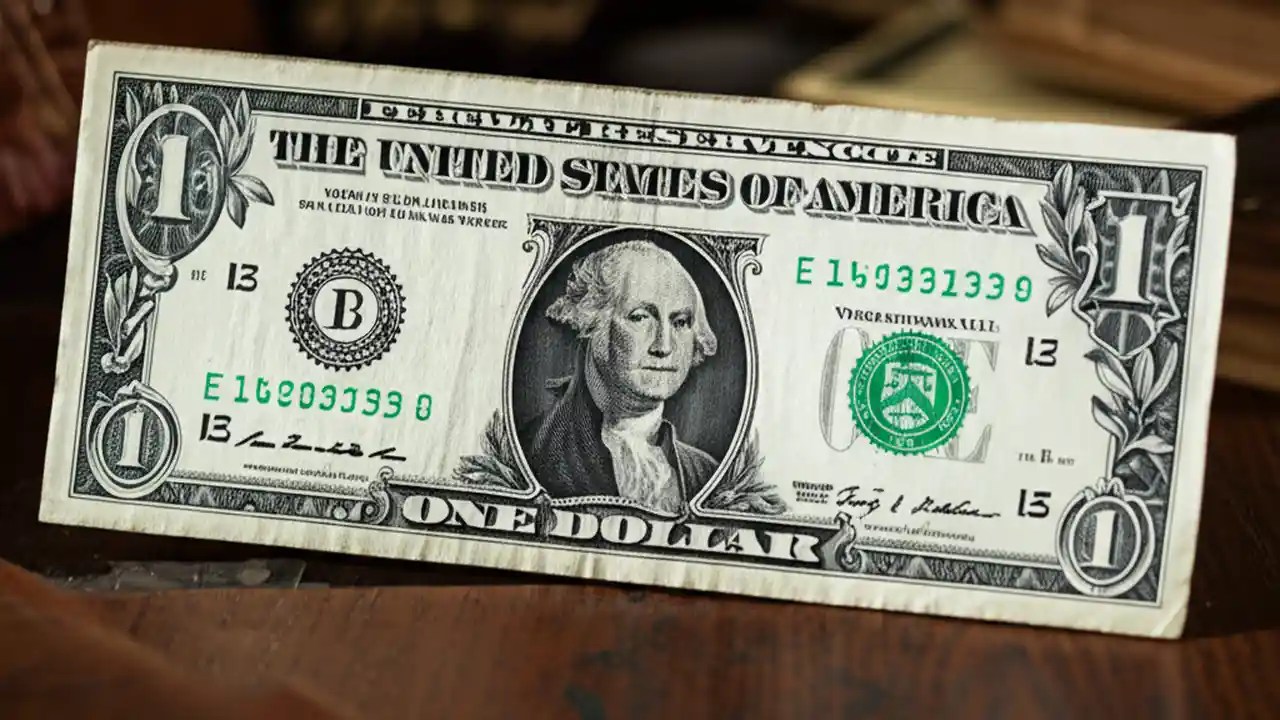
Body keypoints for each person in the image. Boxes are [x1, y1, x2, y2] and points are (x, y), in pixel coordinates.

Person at [522, 240, 720, 513]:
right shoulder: (532, 449)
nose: (663, 346)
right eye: (640, 318)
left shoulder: (706, 473)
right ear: (592, 322)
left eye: (680, 322)